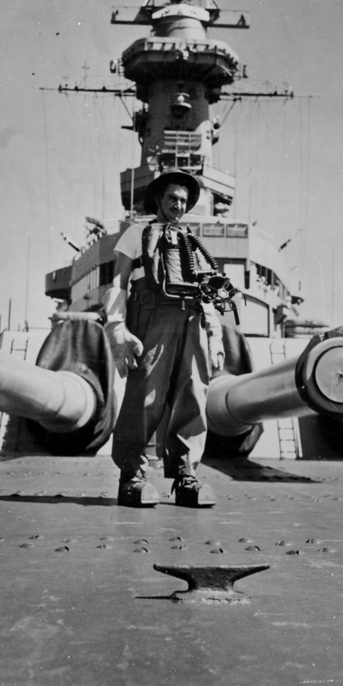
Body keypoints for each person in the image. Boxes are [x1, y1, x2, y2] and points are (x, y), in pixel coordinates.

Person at [103, 168, 225, 507]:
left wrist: (214, 336)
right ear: (159, 198)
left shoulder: (191, 242)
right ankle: (132, 475)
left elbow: (207, 291)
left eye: (184, 200)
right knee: (145, 394)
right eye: (172, 197)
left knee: (194, 395)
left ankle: (186, 475)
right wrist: (116, 326)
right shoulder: (135, 234)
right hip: (151, 317)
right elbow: (119, 283)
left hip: (192, 322)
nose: (178, 205)